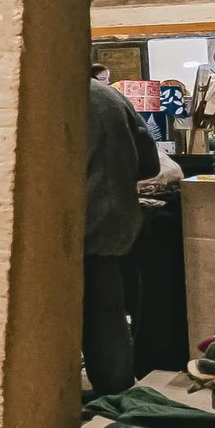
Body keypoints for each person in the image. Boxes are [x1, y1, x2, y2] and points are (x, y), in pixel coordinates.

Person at [87, 71, 161, 394]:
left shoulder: (43, 95)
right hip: (114, 226)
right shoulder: (111, 97)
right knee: (107, 313)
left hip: (71, 228)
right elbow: (150, 164)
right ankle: (116, 400)